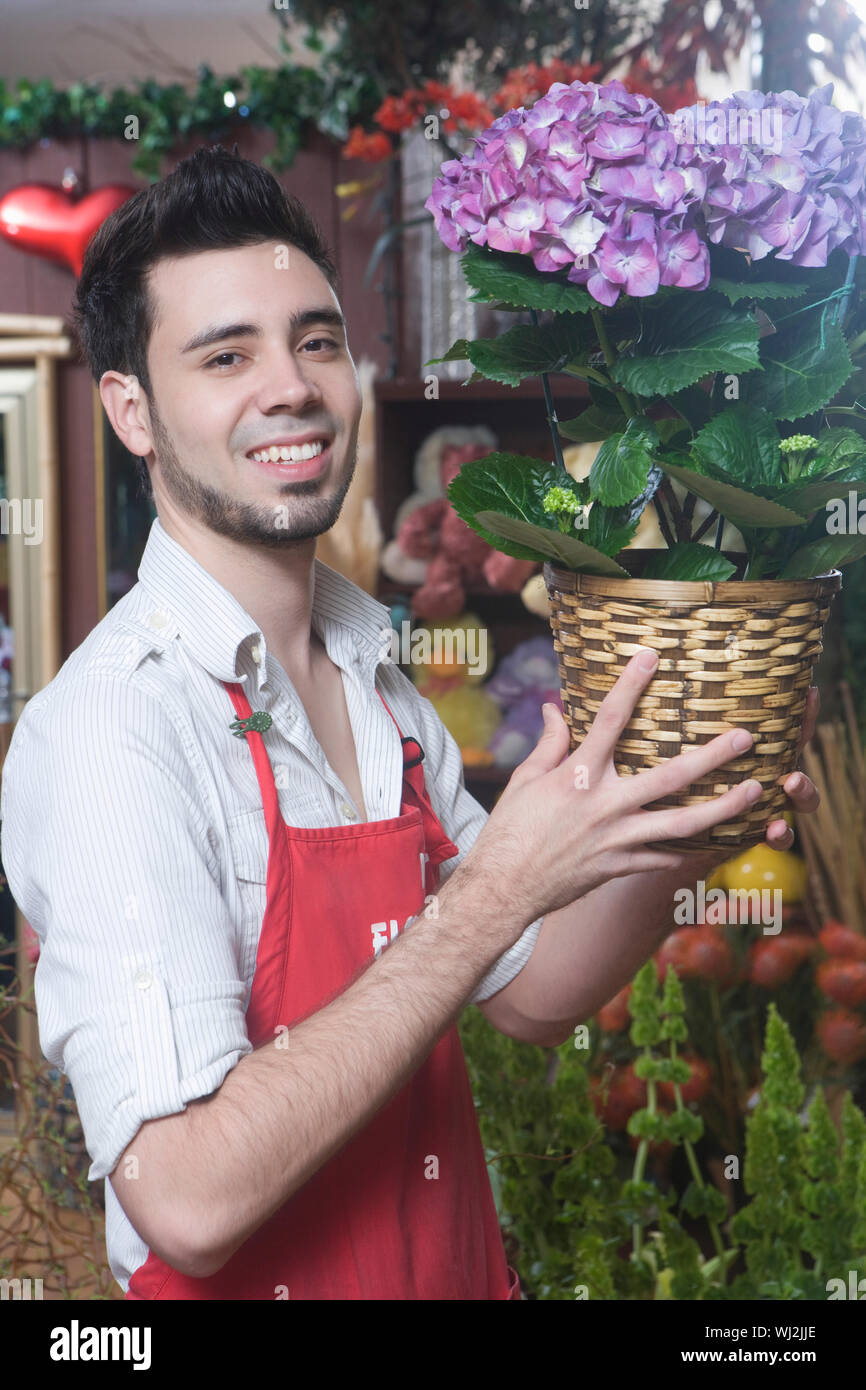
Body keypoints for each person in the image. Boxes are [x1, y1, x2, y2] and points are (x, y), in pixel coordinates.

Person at [0, 145, 821, 1301]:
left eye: (315, 339)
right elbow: (184, 1198)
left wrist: (677, 828)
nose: (289, 385)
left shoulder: (371, 668)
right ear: (130, 410)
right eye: (225, 354)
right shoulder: (110, 731)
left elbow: (528, 991)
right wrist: (494, 889)